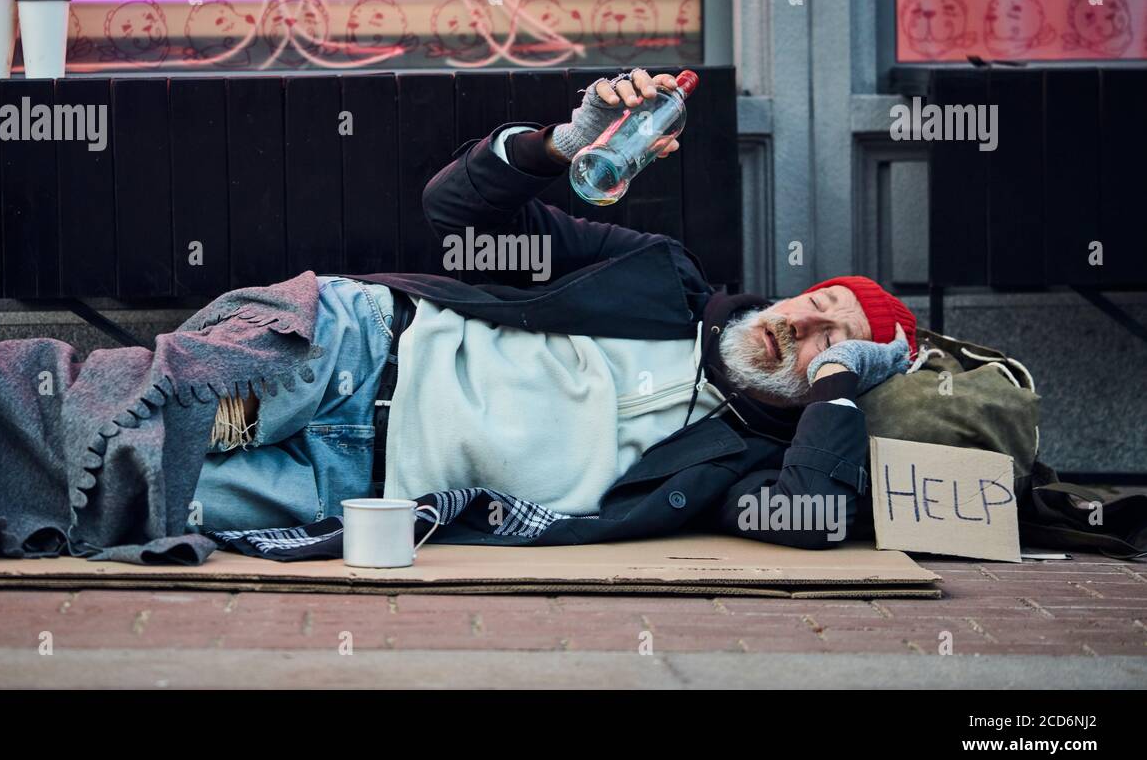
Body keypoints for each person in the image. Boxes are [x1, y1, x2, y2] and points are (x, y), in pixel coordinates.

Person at [192, 68, 917, 551]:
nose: (804, 326)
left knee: (132, 487)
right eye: (818, 302)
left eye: (832, 343)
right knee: (159, 412)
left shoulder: (742, 466)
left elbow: (812, 516)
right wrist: (560, 144)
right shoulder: (662, 276)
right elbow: (455, 213)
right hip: (358, 353)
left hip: (356, 486)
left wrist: (837, 380)